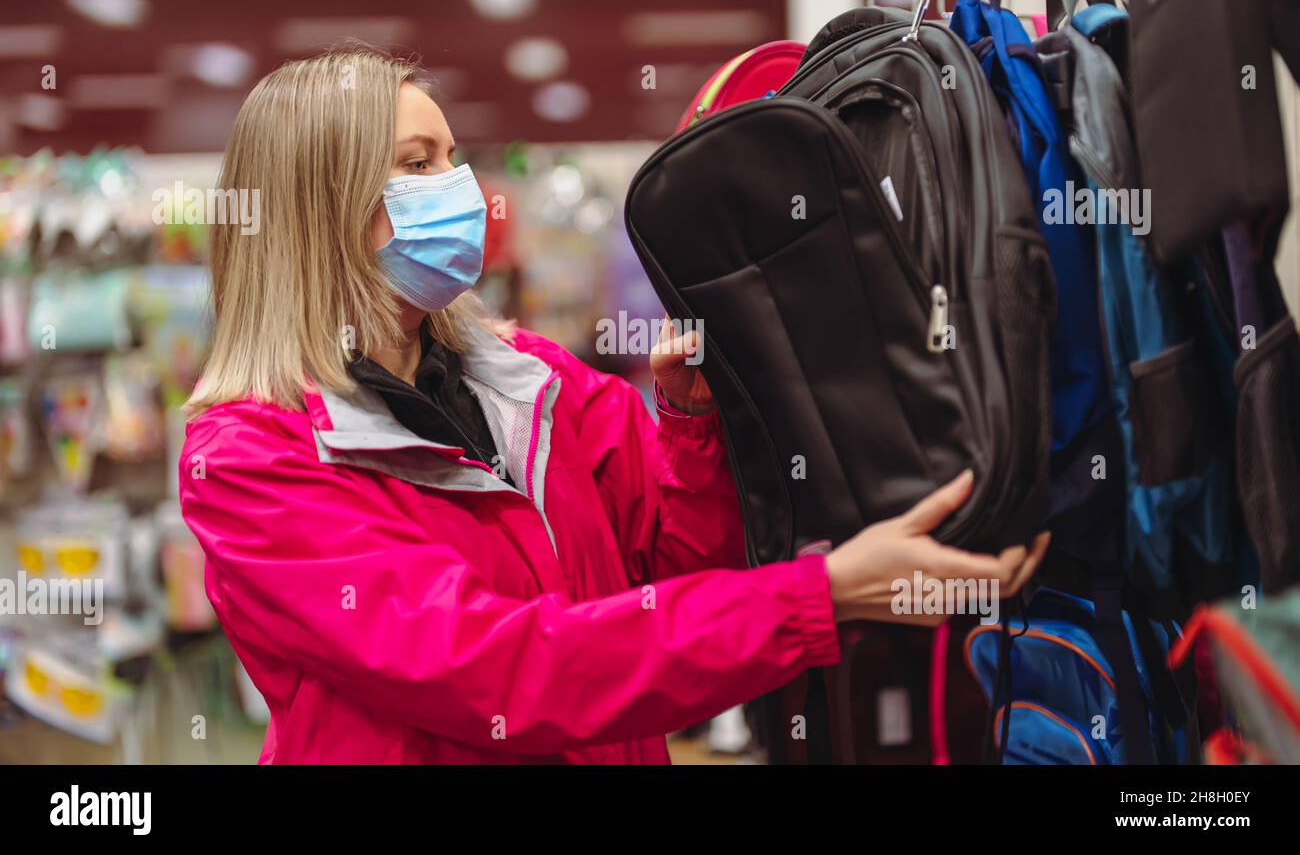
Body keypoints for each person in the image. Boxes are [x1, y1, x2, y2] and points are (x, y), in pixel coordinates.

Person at [178, 47, 1049, 764]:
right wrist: (819, 599)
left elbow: (680, 571)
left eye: (452, 157)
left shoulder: (531, 379)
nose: (461, 188)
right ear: (320, 205)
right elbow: (504, 670)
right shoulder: (253, 463)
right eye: (416, 164)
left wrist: (694, 425)